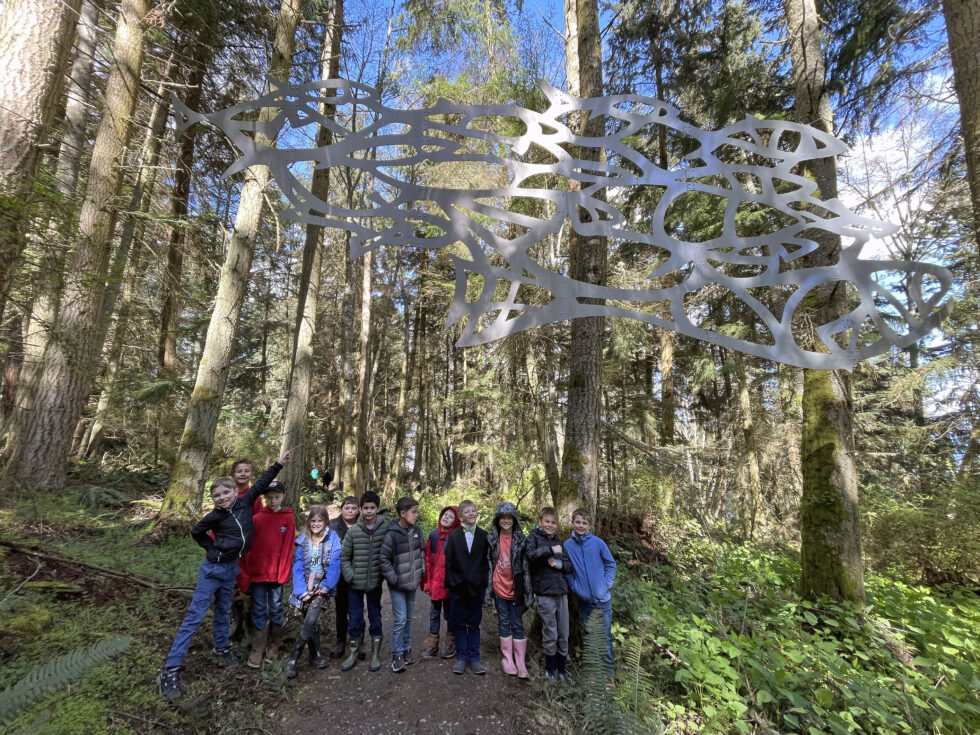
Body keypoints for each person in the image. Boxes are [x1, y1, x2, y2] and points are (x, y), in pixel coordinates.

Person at [157, 450, 290, 701]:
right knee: (195, 617)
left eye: (226, 492)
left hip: (232, 570)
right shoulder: (214, 517)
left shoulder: (244, 502)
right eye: (217, 495)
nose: (222, 497)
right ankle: (171, 669)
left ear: (234, 492)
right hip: (213, 570)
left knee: (222, 611)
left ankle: (221, 647)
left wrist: (279, 463)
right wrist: (212, 549)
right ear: (214, 499)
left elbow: (262, 482)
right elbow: (197, 533)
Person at [282, 506, 342, 679]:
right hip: (304, 588)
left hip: (322, 588)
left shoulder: (333, 539)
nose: (316, 524)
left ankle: (293, 658)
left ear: (325, 522)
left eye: (320, 520)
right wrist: (301, 592)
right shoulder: (303, 541)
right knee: (310, 623)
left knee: (311, 619)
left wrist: (325, 587)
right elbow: (298, 566)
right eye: (313, 521)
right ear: (309, 522)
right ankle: (314, 655)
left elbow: (334, 565)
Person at [244, 481, 295, 667]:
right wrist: (248, 572)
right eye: (269, 497)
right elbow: (249, 547)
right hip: (258, 574)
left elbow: (288, 546)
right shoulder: (257, 518)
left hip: (276, 575)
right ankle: (258, 647)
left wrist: (284, 572)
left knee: (275, 607)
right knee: (258, 608)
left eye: (276, 497)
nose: (273, 501)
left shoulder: (288, 518)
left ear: (283, 496)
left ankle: (274, 644)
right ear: (264, 498)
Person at [339, 490, 389, 672]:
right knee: (355, 617)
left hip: (375, 582)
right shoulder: (353, 531)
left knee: (375, 615)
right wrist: (350, 575)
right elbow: (344, 557)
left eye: (372, 508)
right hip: (354, 584)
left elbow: (389, 553)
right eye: (365, 508)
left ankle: (375, 653)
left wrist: (383, 575)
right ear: (360, 509)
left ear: (377, 509)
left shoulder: (385, 528)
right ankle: (353, 651)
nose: (368, 511)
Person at [566, 508, 617, 676]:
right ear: (572, 523)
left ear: (589, 525)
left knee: (605, 638)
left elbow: (611, 565)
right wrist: (576, 588)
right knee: (590, 635)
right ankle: (596, 674)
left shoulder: (597, 543)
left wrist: (605, 585)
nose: (581, 526)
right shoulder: (567, 545)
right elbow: (568, 572)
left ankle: (609, 675)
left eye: (584, 523)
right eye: (578, 522)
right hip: (585, 601)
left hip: (603, 601)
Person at [526, 506, 572, 681]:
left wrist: (558, 564)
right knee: (550, 631)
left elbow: (568, 565)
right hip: (544, 592)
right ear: (540, 522)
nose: (550, 525)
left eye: (553, 522)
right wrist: (550, 551)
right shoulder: (534, 538)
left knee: (564, 632)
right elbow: (530, 555)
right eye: (547, 521)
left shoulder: (560, 541)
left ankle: (562, 670)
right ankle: (550, 669)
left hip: (561, 592)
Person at [444, 499, 490, 675]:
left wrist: (483, 582)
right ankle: (461, 657)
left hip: (476, 587)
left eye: (474, 511)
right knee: (459, 623)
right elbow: (449, 561)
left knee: (474, 623)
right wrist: (451, 583)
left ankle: (474, 657)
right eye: (467, 511)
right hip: (458, 588)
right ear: (461, 516)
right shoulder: (454, 536)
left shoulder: (484, 536)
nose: (472, 513)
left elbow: (486, 562)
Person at [379, 496, 426, 672]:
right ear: (402, 513)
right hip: (398, 585)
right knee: (400, 619)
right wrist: (394, 578)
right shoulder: (392, 534)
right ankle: (397, 654)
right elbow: (384, 559)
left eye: (416, 512)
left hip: (412, 583)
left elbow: (421, 551)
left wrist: (421, 570)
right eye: (414, 512)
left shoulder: (417, 531)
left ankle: (407, 649)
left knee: (408, 618)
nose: (416, 515)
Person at [487, 501, 532, 679]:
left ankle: (520, 661)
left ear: (514, 520)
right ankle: (508, 659)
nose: (506, 521)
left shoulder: (521, 540)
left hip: (516, 589)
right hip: (499, 587)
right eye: (502, 518)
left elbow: (528, 566)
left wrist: (528, 592)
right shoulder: (491, 538)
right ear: (498, 520)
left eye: (509, 518)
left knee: (517, 622)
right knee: (504, 621)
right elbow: (487, 564)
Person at [421, 505, 459, 659]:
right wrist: (427, 582)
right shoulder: (433, 535)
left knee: (450, 615)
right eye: (444, 514)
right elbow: (428, 560)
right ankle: (432, 645)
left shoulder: (456, 537)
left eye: (450, 516)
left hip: (450, 585)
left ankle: (450, 644)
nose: (446, 518)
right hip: (436, 585)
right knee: (434, 614)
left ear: (455, 521)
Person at [329, 495, 359, 657]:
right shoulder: (333, 527)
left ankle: (357, 640)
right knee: (341, 610)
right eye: (347, 508)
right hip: (339, 577)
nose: (350, 511)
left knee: (357, 609)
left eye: (354, 508)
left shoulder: (362, 526)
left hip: (357, 575)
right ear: (341, 510)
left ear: (358, 510)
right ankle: (340, 640)